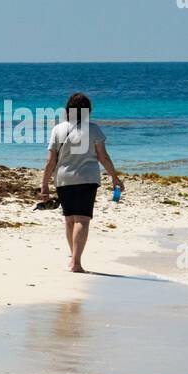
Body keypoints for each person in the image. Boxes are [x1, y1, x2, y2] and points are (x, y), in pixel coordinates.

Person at [38, 92, 123, 273]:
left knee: (70, 220)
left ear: (68, 109)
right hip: (87, 179)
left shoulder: (58, 129)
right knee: (82, 220)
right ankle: (76, 263)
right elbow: (103, 157)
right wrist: (114, 177)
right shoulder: (93, 129)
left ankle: (73, 259)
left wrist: (44, 183)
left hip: (63, 179)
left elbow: (50, 161)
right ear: (87, 111)